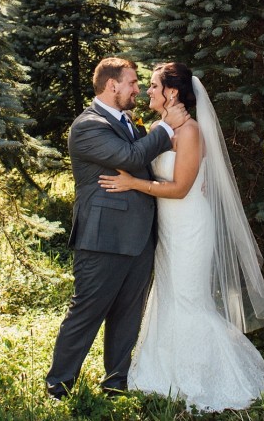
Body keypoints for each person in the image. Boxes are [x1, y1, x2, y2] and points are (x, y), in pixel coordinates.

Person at [99, 62, 264, 411]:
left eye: (153, 85)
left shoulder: (191, 132)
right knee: (169, 295)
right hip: (168, 228)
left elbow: (180, 188)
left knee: (190, 299)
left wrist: (133, 184)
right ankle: (166, 371)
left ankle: (204, 375)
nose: (147, 91)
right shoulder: (157, 128)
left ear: (172, 92)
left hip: (191, 226)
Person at [45, 57, 188, 400]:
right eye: (133, 83)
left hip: (140, 237)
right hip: (103, 237)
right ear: (112, 85)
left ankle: (116, 382)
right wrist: (166, 128)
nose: (138, 89)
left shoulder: (130, 123)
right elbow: (130, 158)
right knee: (87, 311)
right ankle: (58, 386)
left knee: (128, 314)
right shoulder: (88, 126)